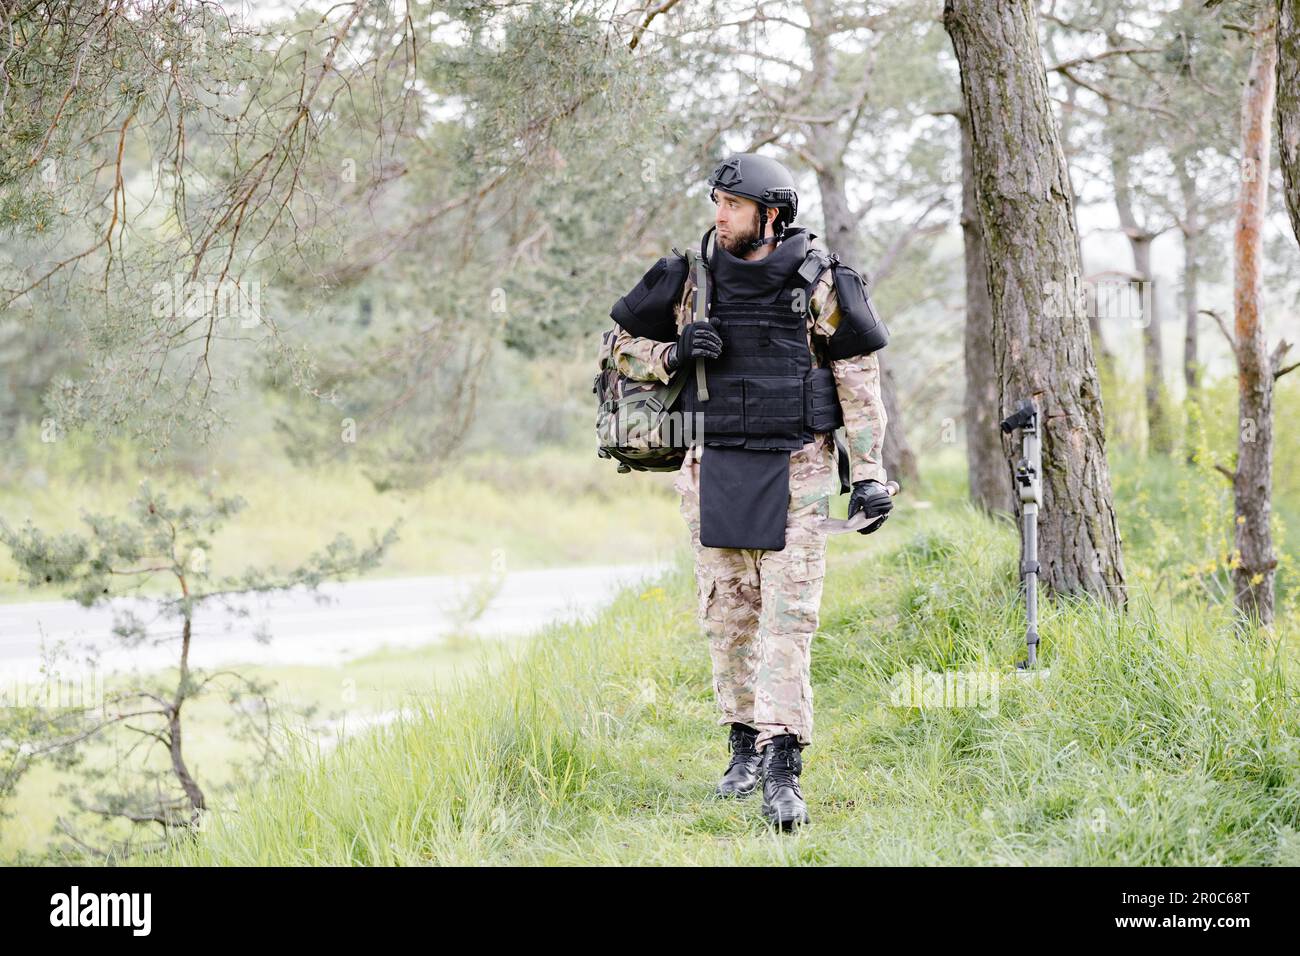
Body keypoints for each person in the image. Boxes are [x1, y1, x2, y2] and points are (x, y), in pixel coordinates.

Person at [608, 153, 893, 830]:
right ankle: (740, 748)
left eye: (732, 205)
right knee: (727, 621)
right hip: (713, 472)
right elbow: (617, 348)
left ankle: (783, 766)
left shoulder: (819, 278)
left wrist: (872, 472)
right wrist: (672, 355)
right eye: (717, 203)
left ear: (770, 214)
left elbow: (857, 377)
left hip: (798, 471)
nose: (720, 215)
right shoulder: (690, 280)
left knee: (788, 621)